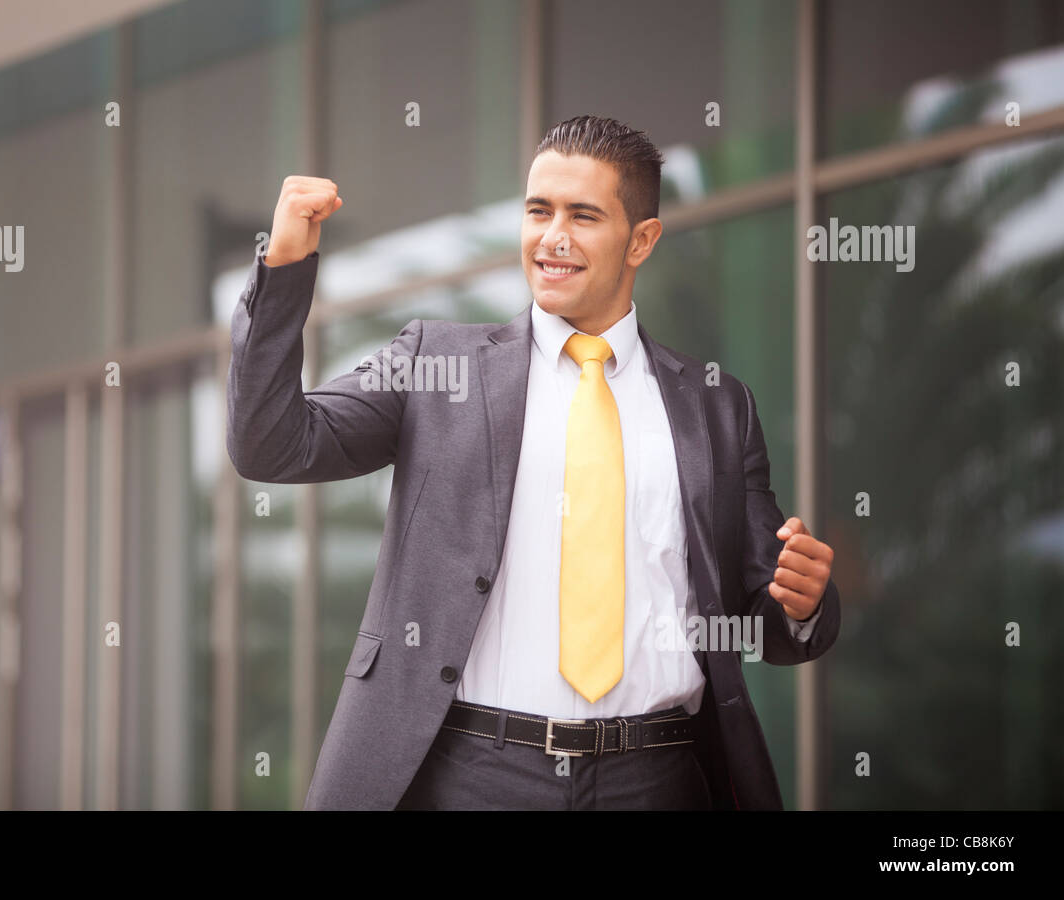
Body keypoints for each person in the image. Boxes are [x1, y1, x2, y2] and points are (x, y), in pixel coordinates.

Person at [226, 115, 840, 810]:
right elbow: (272, 443)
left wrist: (803, 600)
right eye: (538, 210)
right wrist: (282, 270)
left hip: (658, 779)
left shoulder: (717, 407)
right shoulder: (437, 364)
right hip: (473, 774)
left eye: (583, 215)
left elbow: (762, 619)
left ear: (641, 239)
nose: (553, 236)